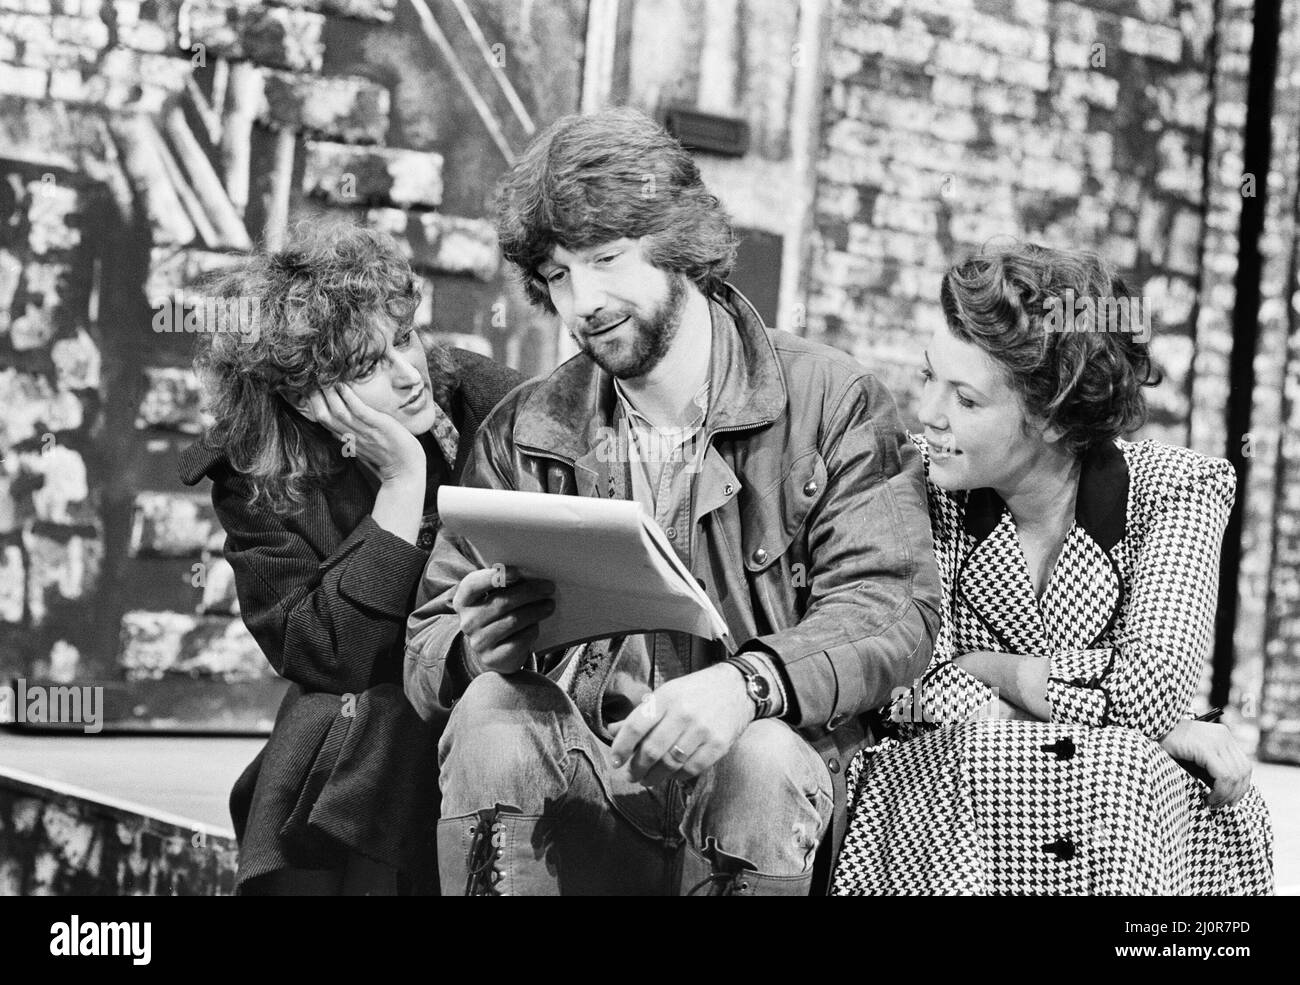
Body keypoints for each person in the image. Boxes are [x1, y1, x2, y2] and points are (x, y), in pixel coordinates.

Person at [403, 108, 942, 896]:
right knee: (490, 710)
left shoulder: (832, 400)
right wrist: (471, 647)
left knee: (763, 756)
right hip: (585, 786)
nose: (583, 301)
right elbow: (428, 637)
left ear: (677, 239)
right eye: (557, 275)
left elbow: (894, 608)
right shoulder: (527, 428)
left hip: (753, 791)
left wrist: (746, 685)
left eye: (607, 258)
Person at [832, 243, 1274, 895]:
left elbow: (1147, 689)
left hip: (1119, 818)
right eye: (929, 377)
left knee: (1125, 769)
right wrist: (1157, 729)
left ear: (1051, 419)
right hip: (953, 806)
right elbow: (906, 688)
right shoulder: (915, 480)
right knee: (1112, 750)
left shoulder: (1177, 489)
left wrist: (988, 669)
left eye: (966, 398)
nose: (929, 412)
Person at [179, 224, 523, 894]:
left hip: (482, 683)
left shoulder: (489, 401)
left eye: (403, 337)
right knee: (349, 716)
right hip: (370, 722)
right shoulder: (256, 474)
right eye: (367, 366)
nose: (408, 373)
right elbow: (328, 656)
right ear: (309, 396)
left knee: (362, 729)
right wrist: (400, 487)